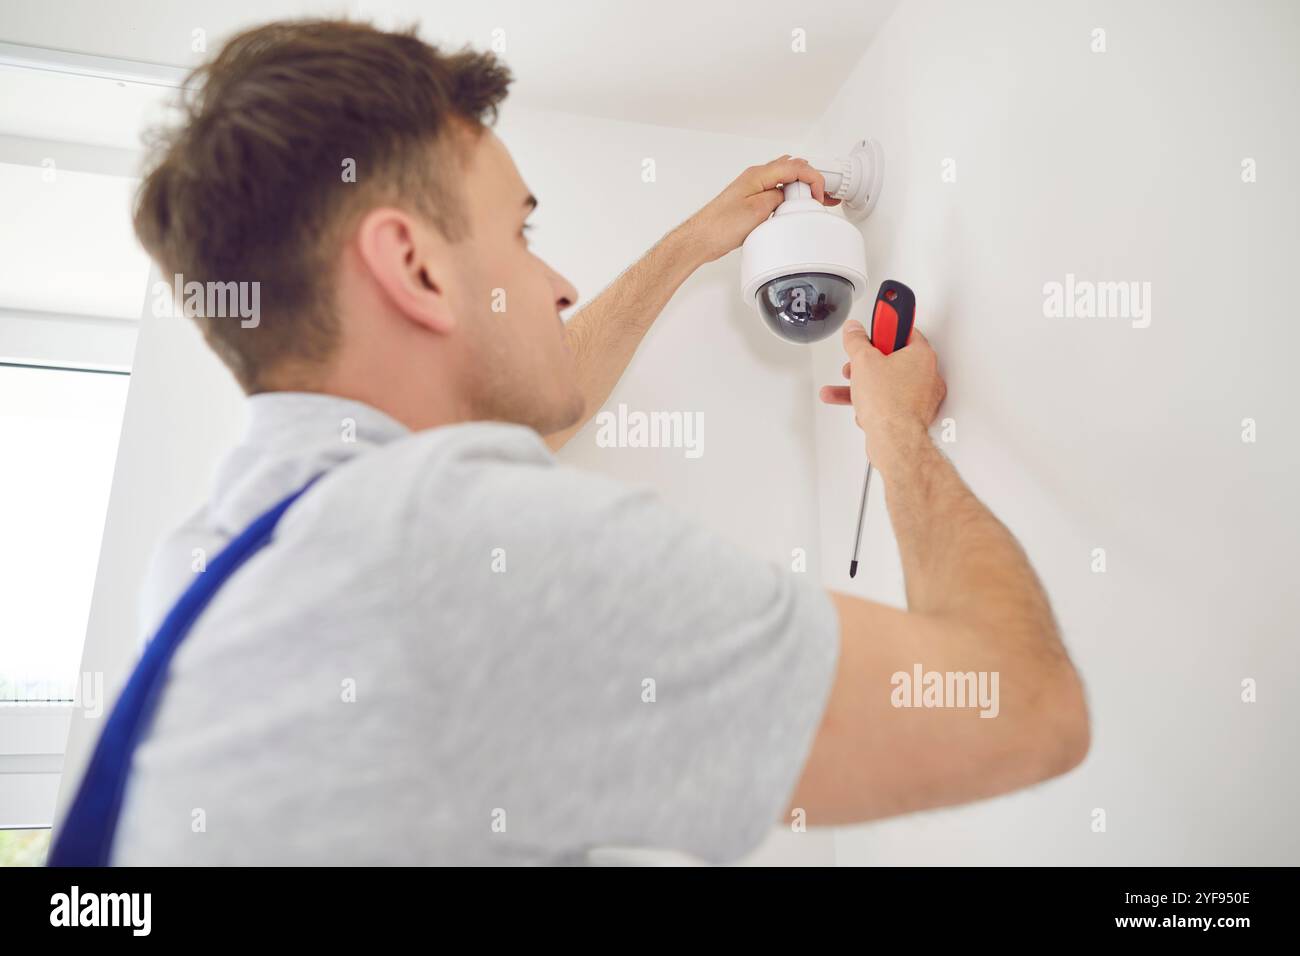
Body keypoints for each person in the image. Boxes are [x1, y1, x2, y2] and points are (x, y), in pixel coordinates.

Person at [87, 19, 1088, 865]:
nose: (557, 283)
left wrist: (695, 240)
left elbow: (543, 407)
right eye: (520, 236)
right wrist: (898, 433)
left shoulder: (210, 560)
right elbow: (1027, 707)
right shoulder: (455, 548)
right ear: (413, 265)